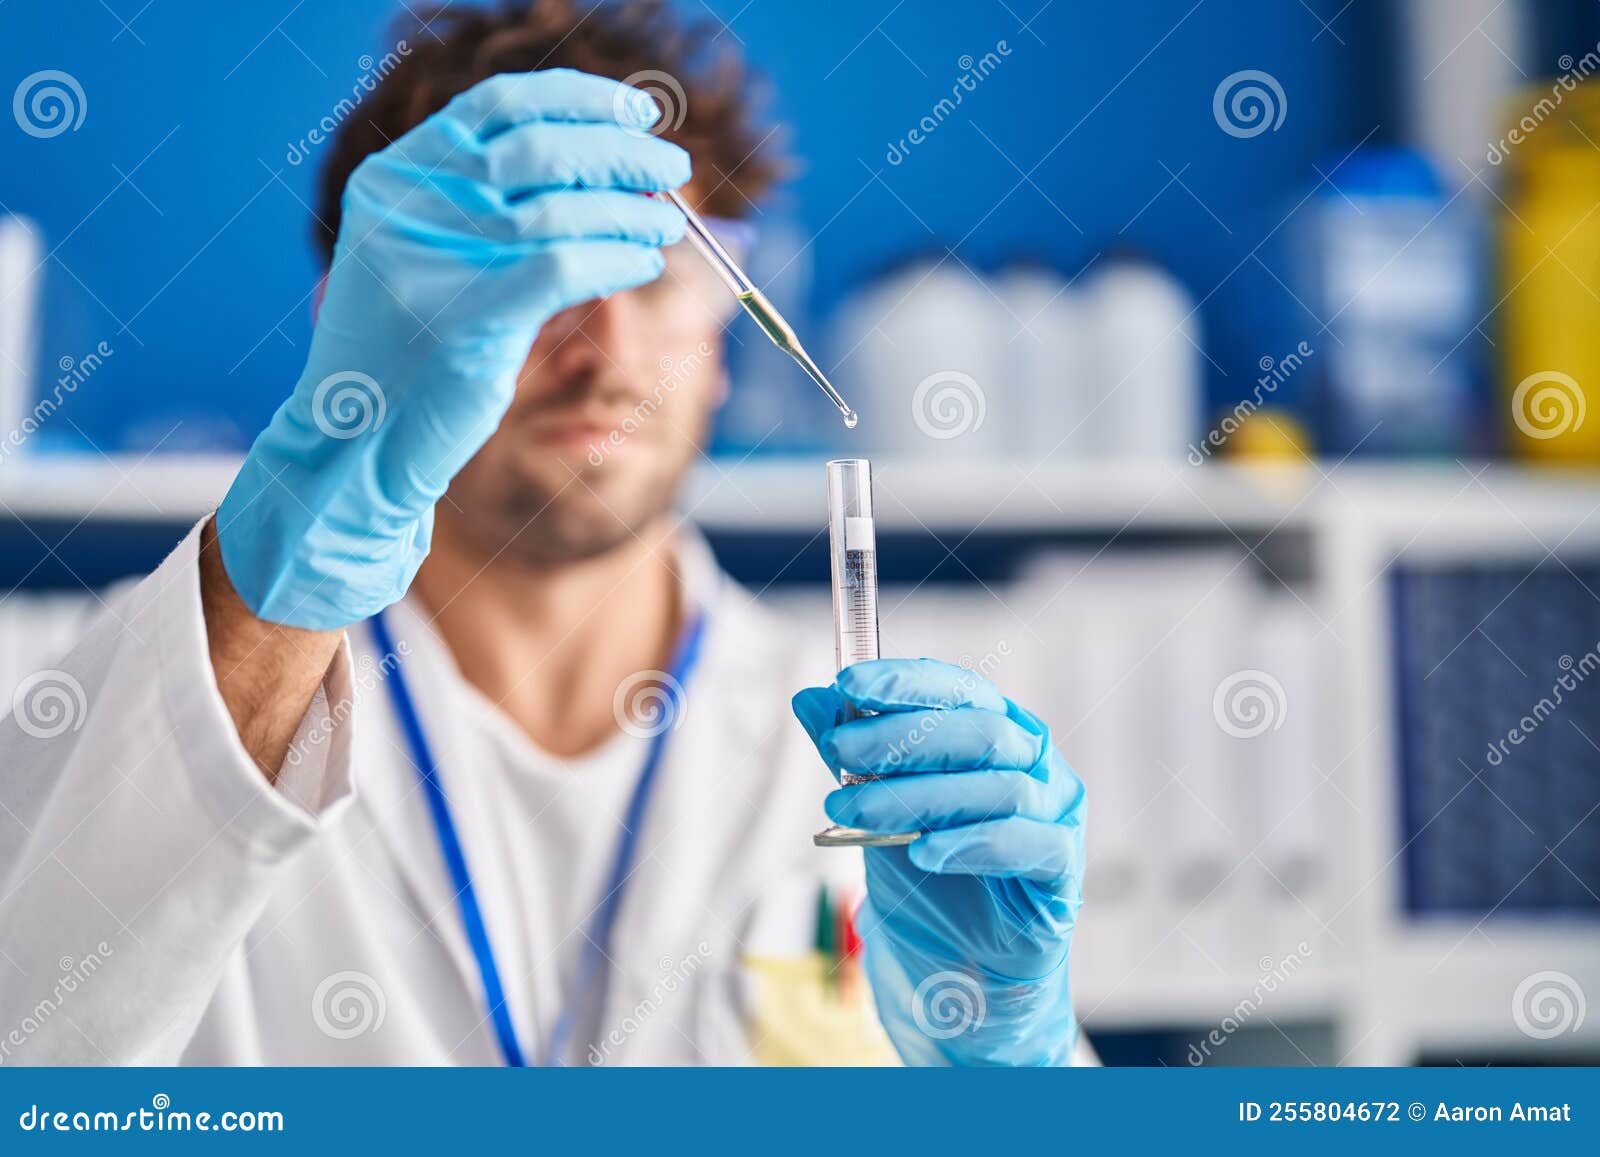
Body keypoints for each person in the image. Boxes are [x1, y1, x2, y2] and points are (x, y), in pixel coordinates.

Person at [0, 0, 1088, 1067]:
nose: (604, 345)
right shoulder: (177, 691)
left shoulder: (873, 757)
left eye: (659, 269)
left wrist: (1010, 1077)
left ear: (719, 343)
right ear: (364, 315)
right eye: (537, 273)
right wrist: (274, 592)